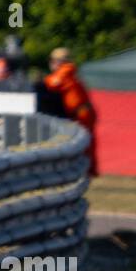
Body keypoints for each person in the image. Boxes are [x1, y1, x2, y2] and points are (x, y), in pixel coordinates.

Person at [40, 47, 98, 175]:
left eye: (53, 60)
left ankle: (86, 170)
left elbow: (51, 84)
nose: (52, 63)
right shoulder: (68, 72)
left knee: (82, 143)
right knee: (84, 142)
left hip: (81, 113)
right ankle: (87, 170)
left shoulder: (65, 70)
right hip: (81, 112)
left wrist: (39, 84)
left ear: (59, 61)